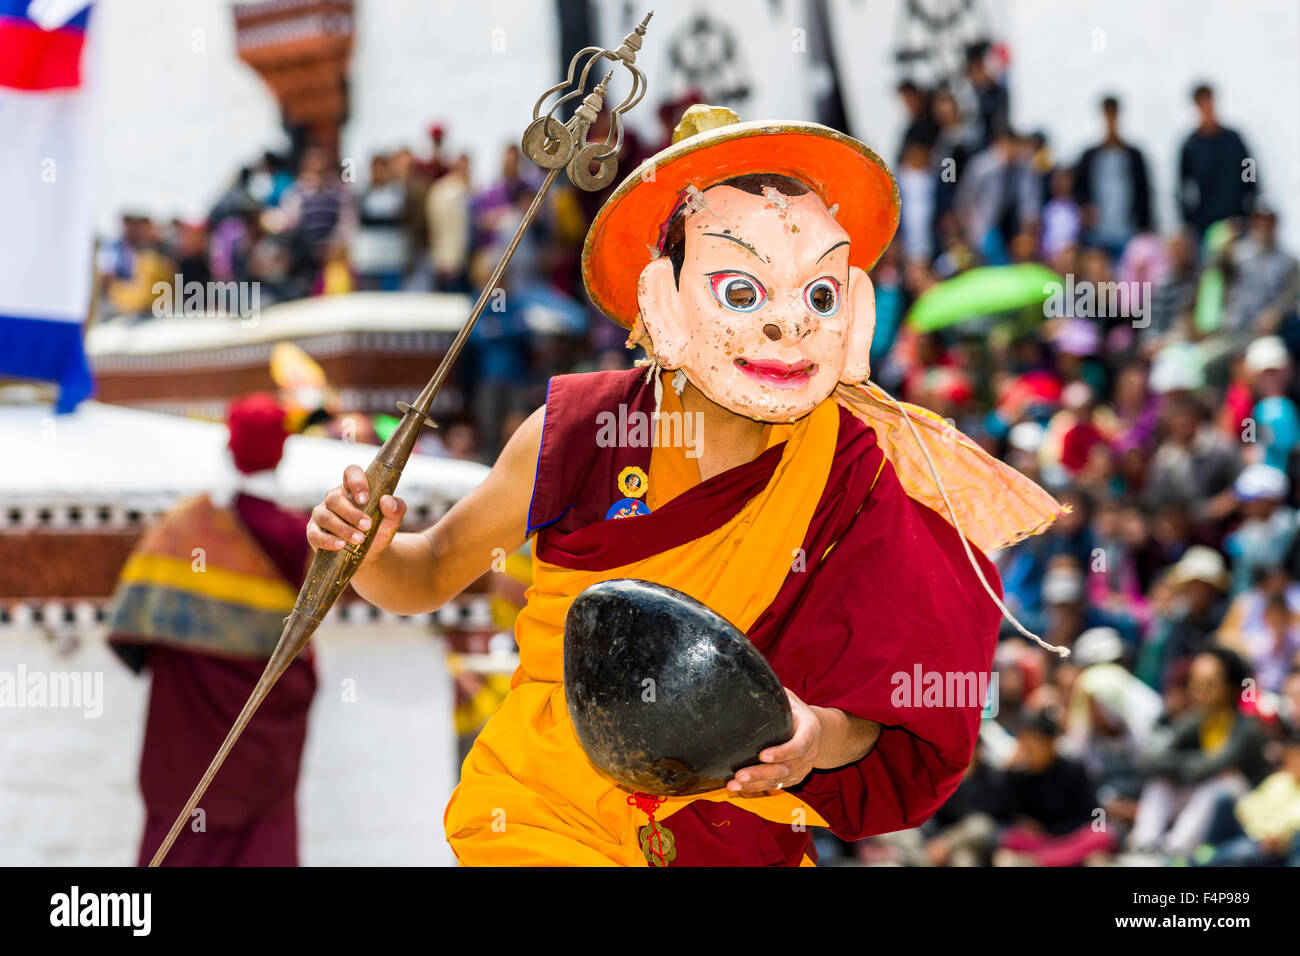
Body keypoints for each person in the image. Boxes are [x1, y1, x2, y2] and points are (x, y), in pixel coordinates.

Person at [306, 104, 1063, 866]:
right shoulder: (581, 431)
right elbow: (431, 569)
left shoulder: (852, 472)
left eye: (819, 297)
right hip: (546, 816)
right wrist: (366, 549)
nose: (785, 327)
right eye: (742, 292)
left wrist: (813, 739)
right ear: (663, 296)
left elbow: (885, 720)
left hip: (736, 836)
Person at [108, 394, 317, 866]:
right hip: (268, 734)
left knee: (186, 833)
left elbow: (133, 627)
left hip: (187, 732)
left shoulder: (184, 528)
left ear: (230, 446)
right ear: (281, 451)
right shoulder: (298, 536)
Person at [1130, 647, 1270, 858]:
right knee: (1161, 781)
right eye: (1195, 683)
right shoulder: (1195, 721)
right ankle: (1144, 844)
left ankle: (1175, 851)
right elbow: (1150, 761)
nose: (1200, 691)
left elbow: (1214, 768)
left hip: (1241, 812)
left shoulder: (1246, 728)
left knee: (1221, 780)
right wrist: (1187, 765)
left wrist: (1186, 766)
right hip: (1197, 794)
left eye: (1209, 684)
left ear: (1231, 687)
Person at [1073, 95, 1153, 259]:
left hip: (1128, 233)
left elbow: (1145, 194)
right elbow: (1078, 192)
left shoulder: (1134, 156)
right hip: (1097, 237)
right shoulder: (1089, 157)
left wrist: (1145, 229)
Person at [1177, 84, 1257, 242]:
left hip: (1237, 221)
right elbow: (1184, 186)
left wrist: (1248, 206)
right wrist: (1191, 220)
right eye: (1202, 103)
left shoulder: (1234, 139)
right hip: (1206, 225)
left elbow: (1250, 168)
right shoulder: (1191, 146)